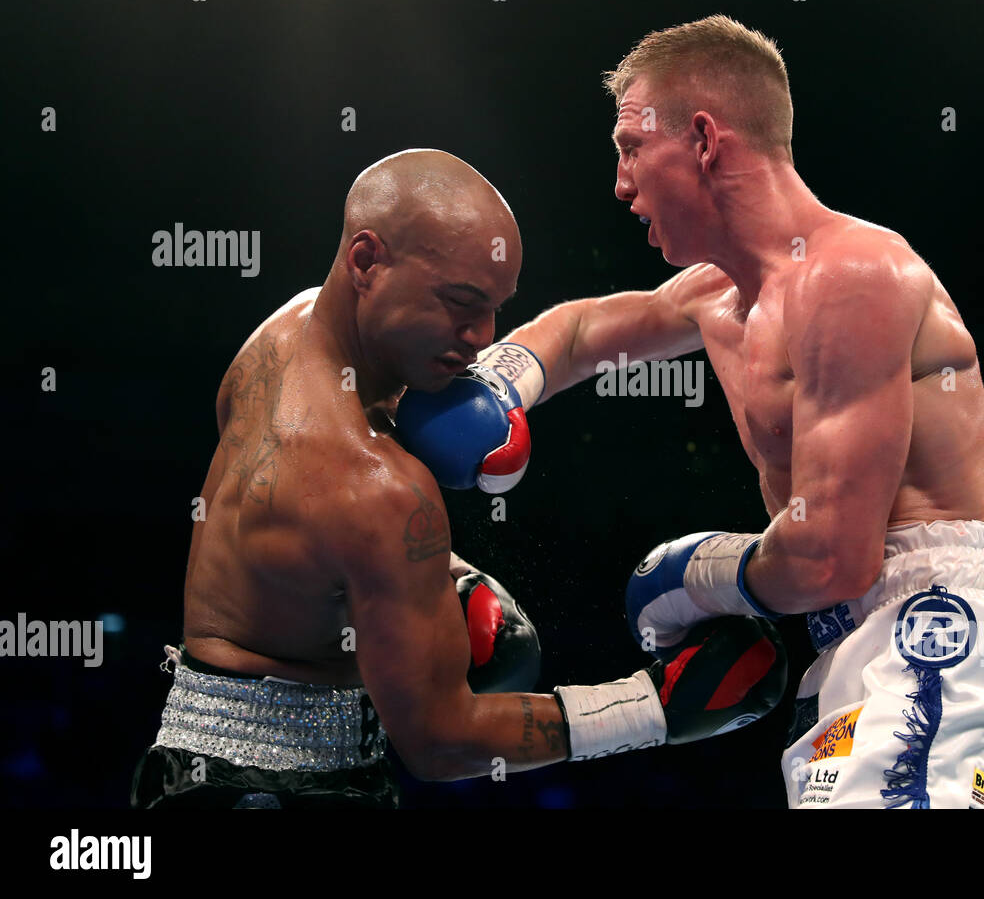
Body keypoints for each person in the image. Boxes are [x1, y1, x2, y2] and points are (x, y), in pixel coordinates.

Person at [474, 16, 984, 808]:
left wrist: (690, 577)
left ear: (703, 139)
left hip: (939, 634)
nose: (619, 184)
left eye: (629, 148)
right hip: (856, 645)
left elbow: (832, 558)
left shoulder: (851, 275)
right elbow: (582, 332)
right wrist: (492, 388)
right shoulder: (718, 298)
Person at [129, 149, 786, 809]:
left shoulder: (281, 336)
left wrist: (441, 565)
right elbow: (440, 742)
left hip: (186, 761)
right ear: (366, 262)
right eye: (461, 304)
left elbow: (571, 334)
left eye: (495, 307)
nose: (481, 336)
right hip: (285, 793)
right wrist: (651, 707)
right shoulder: (378, 487)